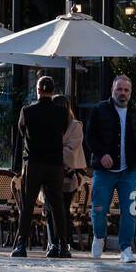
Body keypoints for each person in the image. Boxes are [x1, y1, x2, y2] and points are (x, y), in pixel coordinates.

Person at [84, 75, 136, 264]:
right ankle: (99, 237)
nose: (122, 93)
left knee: (130, 211)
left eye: (126, 90)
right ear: (112, 91)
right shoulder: (100, 110)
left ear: (130, 92)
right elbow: (90, 137)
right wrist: (101, 154)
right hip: (104, 171)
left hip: (129, 172)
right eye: (119, 90)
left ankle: (126, 248)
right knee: (99, 209)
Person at [12, 76, 70, 259]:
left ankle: (21, 245)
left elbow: (22, 133)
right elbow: (63, 130)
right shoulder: (61, 113)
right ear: (53, 91)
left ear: (38, 90)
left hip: (34, 162)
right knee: (57, 205)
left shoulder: (27, 111)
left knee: (28, 205)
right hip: (54, 164)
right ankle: (63, 246)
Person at [52, 94, 85, 252]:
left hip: (68, 174)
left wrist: (52, 150)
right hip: (50, 173)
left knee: (64, 209)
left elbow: (72, 150)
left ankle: (64, 242)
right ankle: (53, 243)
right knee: (51, 208)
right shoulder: (48, 124)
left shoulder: (75, 126)